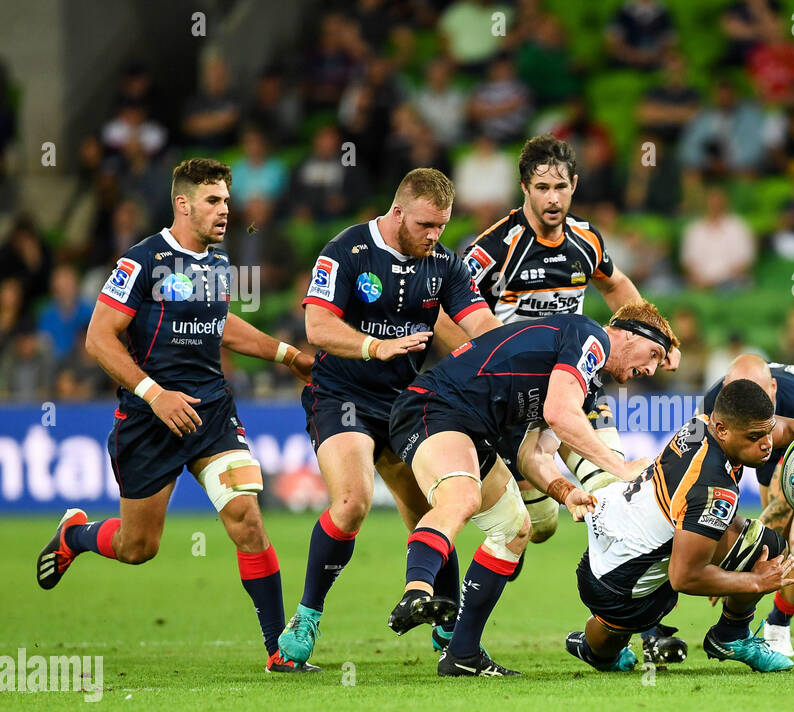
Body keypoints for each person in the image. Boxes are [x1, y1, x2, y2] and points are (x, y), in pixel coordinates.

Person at [35, 158, 316, 673]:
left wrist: (286, 353)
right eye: (213, 201)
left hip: (210, 412)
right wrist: (154, 393)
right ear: (183, 204)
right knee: (138, 547)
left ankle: (280, 650)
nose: (225, 210)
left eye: (227, 201)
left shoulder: (217, 263)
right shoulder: (139, 262)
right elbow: (99, 338)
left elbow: (220, 324)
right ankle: (76, 533)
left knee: (247, 520)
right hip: (149, 419)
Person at [278, 168, 501, 667]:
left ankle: (449, 630)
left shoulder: (444, 263)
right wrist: (374, 346)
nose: (434, 235)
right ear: (398, 212)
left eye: (442, 225)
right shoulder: (347, 250)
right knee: (353, 503)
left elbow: (479, 326)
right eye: (425, 225)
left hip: (404, 403)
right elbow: (317, 326)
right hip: (341, 394)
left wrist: (516, 356)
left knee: (432, 511)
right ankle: (308, 616)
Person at [386, 304, 676, 676]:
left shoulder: (585, 385)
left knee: (515, 528)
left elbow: (532, 454)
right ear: (629, 334)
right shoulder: (592, 337)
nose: (651, 370)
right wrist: (618, 466)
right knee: (461, 497)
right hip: (435, 407)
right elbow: (558, 412)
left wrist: (565, 491)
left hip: (472, 427)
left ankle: (462, 654)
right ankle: (418, 591)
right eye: (653, 354)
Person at [567, 379, 794, 675]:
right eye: (755, 437)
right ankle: (594, 650)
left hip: (615, 530)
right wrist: (756, 582)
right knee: (614, 638)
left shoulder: (704, 424)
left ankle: (730, 636)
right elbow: (684, 577)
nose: (767, 445)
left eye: (767, 432)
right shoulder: (712, 488)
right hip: (618, 581)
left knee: (763, 545)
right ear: (723, 430)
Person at [462, 134, 659, 545]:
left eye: (561, 187)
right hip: (518, 397)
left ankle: (614, 598)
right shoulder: (496, 247)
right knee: (542, 526)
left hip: (575, 381)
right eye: (542, 188)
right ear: (524, 190)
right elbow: (450, 308)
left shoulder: (585, 241)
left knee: (610, 486)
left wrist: (652, 338)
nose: (553, 199)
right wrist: (478, 360)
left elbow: (616, 285)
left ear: (574, 185)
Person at [667, 355, 794, 661]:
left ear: (774, 389)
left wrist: (737, 558)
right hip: (766, 445)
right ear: (727, 389)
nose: (751, 405)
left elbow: (780, 511)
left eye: (761, 397)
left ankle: (776, 625)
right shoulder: (716, 404)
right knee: (779, 547)